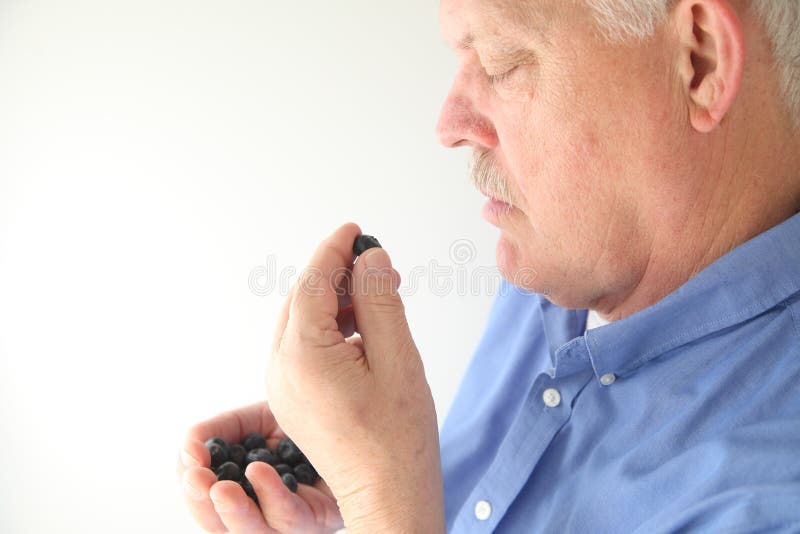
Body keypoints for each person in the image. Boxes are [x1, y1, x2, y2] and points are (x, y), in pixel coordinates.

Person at [177, 0, 800, 532]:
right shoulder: (567, 265)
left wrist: (383, 498)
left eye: (503, 59)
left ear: (699, 62)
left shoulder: (770, 499)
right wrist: (378, 457)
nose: (449, 127)